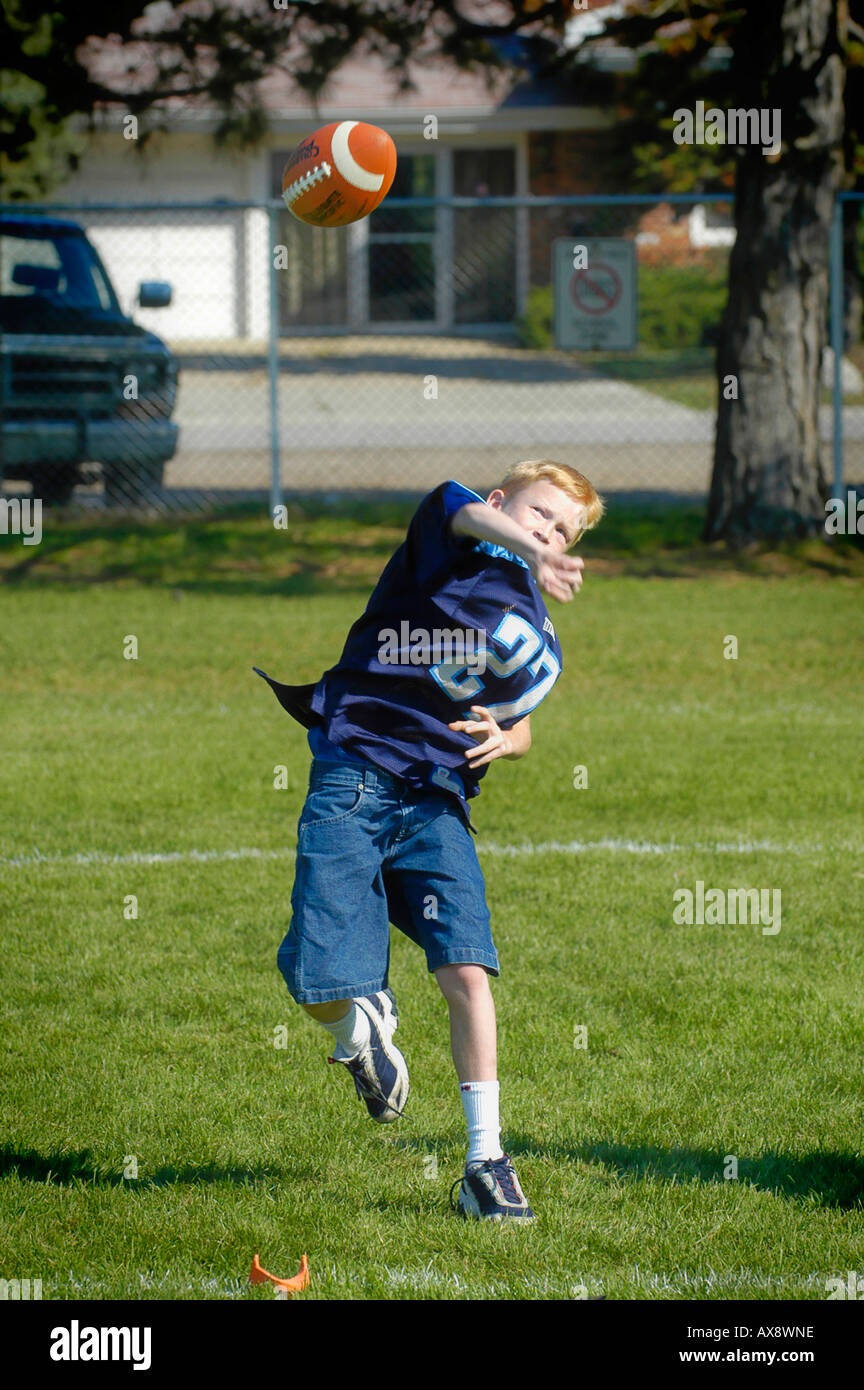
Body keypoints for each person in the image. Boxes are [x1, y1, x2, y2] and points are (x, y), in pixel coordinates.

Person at [255, 460, 603, 1220]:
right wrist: (532, 548)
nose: (549, 535)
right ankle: (359, 1031)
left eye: (563, 533)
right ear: (502, 501)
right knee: (316, 981)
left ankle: (486, 1162)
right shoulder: (450, 530)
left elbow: (524, 720)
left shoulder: (521, 614)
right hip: (356, 774)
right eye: (541, 516)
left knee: (468, 971)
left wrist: (505, 742)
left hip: (436, 797)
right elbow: (464, 511)